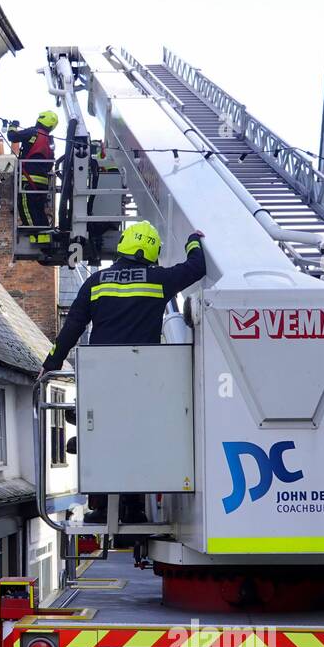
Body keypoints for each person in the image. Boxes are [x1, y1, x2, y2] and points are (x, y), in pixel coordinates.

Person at [41, 221, 206, 523]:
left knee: (101, 438)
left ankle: (101, 508)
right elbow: (196, 267)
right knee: (137, 437)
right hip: (142, 377)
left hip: (99, 378)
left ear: (124, 245)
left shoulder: (95, 282)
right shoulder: (160, 280)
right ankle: (134, 508)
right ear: (151, 250)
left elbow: (71, 328)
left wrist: (50, 364)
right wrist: (194, 240)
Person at [8, 110, 59, 232]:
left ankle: (33, 231)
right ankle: (43, 229)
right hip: (43, 182)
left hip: (28, 179)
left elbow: (13, 137)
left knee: (26, 206)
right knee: (38, 209)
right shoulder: (50, 141)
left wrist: (13, 125)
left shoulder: (33, 132)